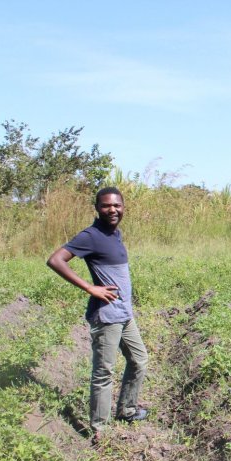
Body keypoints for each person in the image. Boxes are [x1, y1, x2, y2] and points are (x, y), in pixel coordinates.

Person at [47, 187, 148, 440]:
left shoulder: (114, 234)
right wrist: (91, 288)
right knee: (104, 373)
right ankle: (100, 430)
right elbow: (56, 260)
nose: (112, 210)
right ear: (97, 208)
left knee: (139, 360)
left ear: (123, 207)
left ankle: (126, 410)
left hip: (124, 314)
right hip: (106, 317)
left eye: (117, 205)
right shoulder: (90, 236)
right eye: (106, 206)